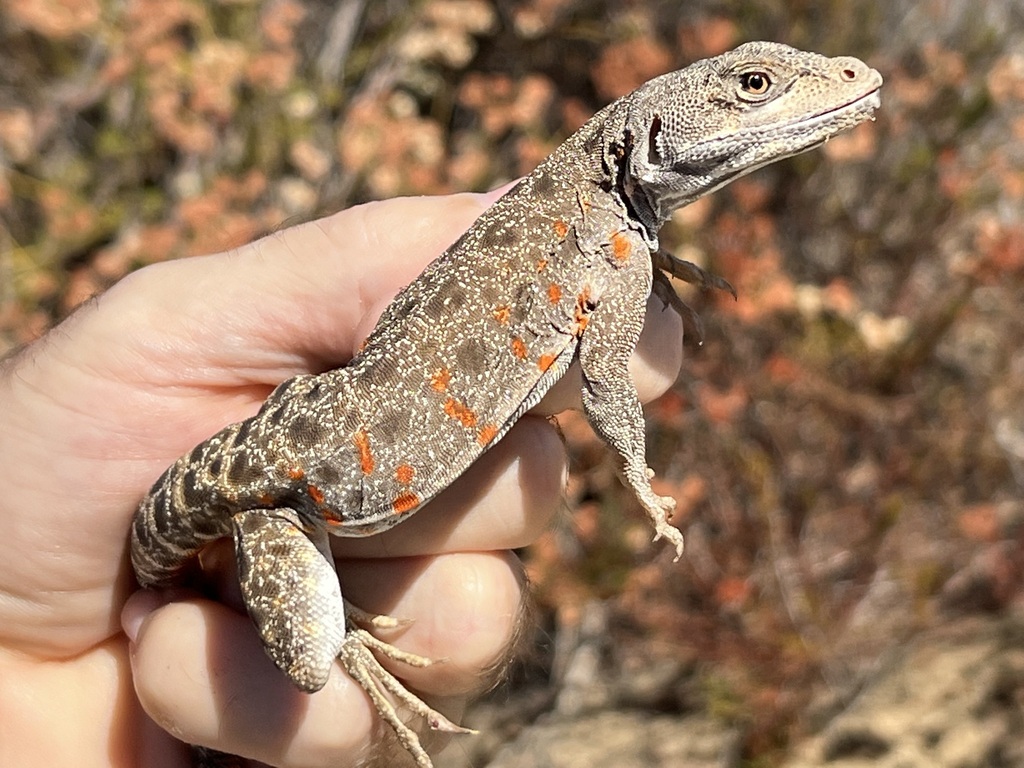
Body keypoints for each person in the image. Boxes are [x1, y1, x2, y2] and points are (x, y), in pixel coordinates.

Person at [0, 190, 683, 767]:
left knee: (417, 628)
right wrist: (639, 476)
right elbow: (606, 383)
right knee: (315, 657)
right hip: (281, 490)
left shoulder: (593, 223)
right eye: (737, 92)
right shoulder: (563, 212)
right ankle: (330, 624)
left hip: (290, 451)